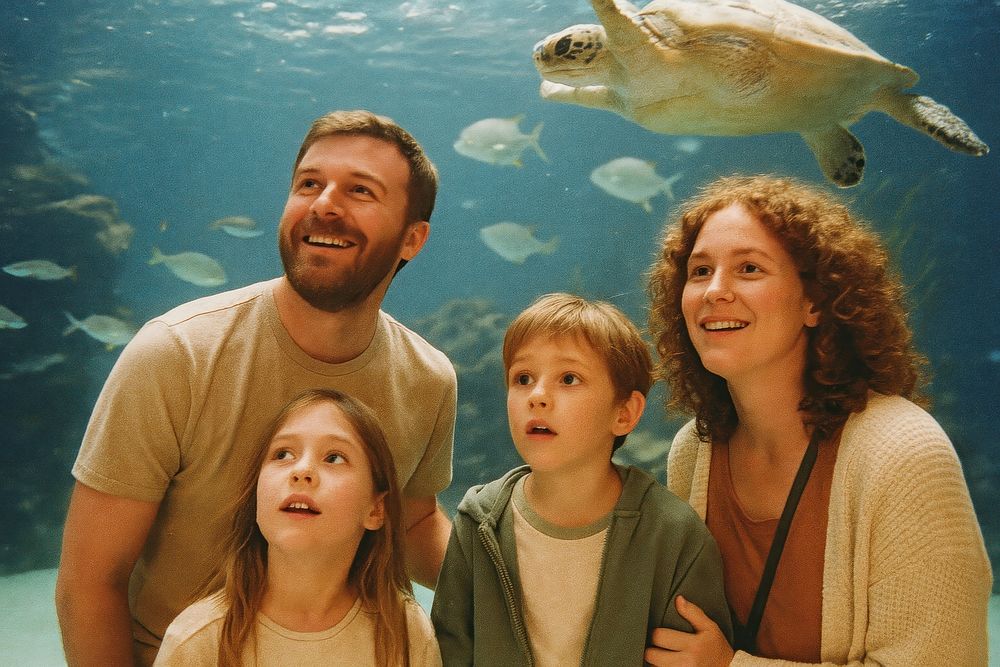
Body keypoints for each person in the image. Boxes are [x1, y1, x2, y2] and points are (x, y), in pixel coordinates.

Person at [55, 110, 457, 666]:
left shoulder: (428, 377)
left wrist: (526, 566)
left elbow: (411, 522)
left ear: (412, 238)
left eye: (360, 190)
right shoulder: (175, 354)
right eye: (309, 184)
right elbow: (90, 580)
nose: (323, 204)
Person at [644, 174, 992, 665]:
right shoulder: (694, 450)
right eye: (699, 272)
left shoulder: (905, 455)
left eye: (748, 268)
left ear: (814, 300)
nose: (714, 291)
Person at [432, 292, 732, 665]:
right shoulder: (477, 523)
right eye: (523, 378)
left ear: (625, 412)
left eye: (569, 378)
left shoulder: (674, 534)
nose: (537, 396)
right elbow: (449, 652)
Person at [152, 389, 442, 667]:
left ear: (376, 509)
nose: (301, 471)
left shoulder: (405, 632)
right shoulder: (195, 641)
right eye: (282, 454)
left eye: (334, 457)